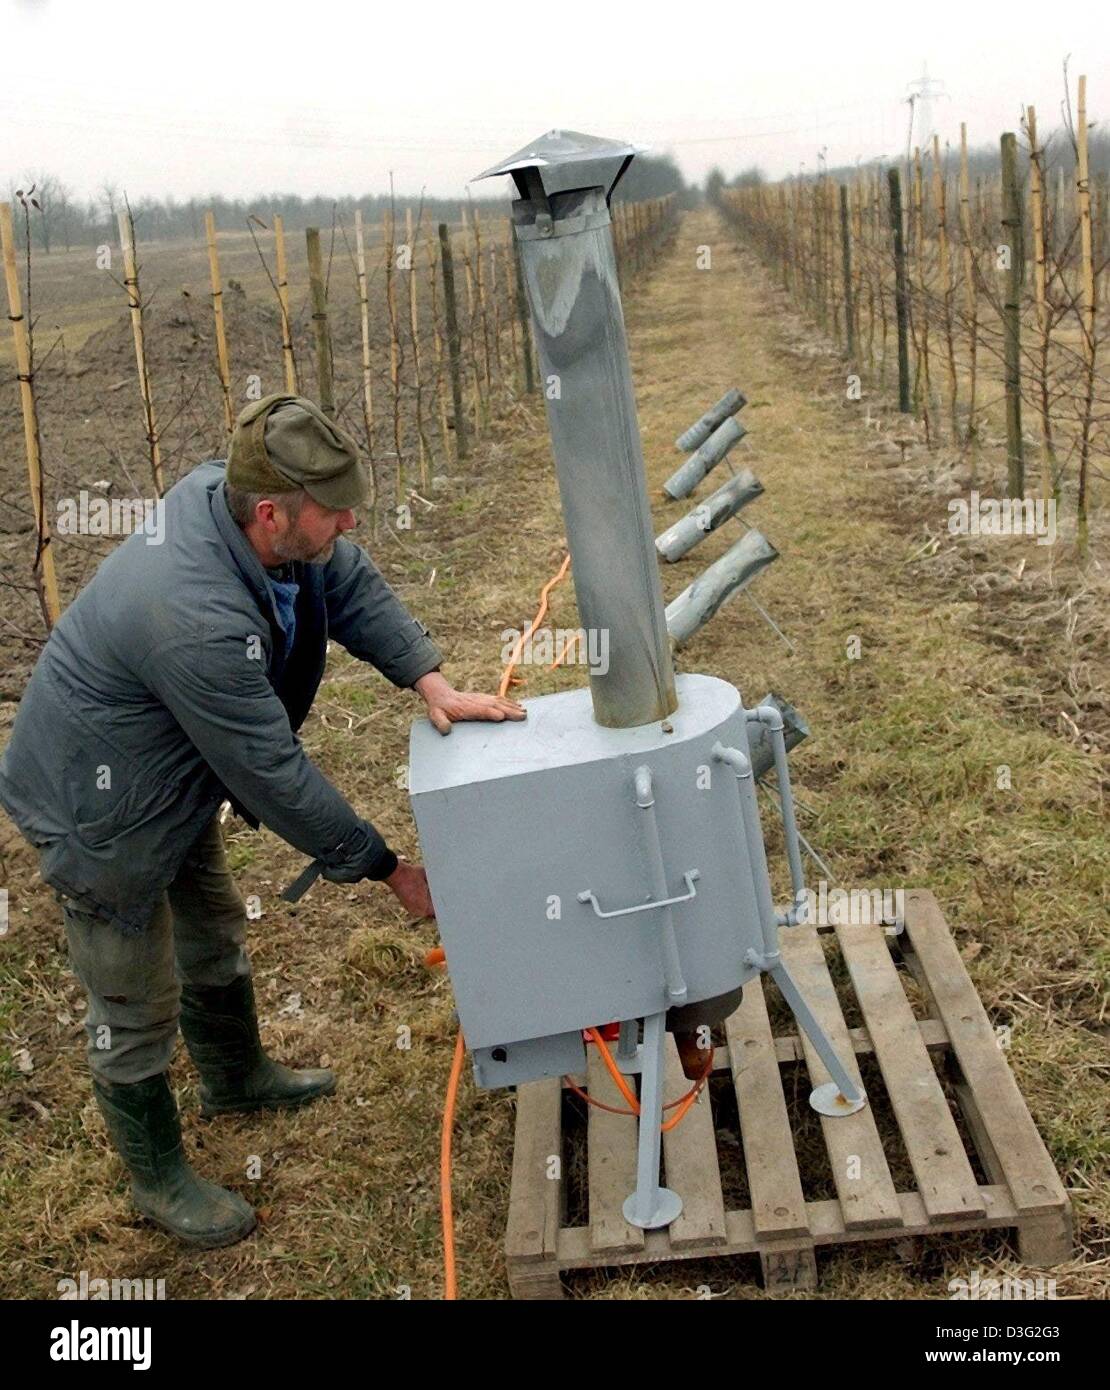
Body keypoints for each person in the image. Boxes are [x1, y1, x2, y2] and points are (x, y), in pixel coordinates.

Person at [0, 393, 525, 1247]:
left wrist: (429, 679)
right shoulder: (192, 615)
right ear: (274, 515)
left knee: (210, 925)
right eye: (335, 509)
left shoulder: (246, 506)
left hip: (170, 777)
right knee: (133, 991)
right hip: (95, 808)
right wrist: (390, 870)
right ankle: (156, 1178)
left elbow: (345, 579)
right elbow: (273, 773)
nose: (350, 519)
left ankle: (236, 1077)